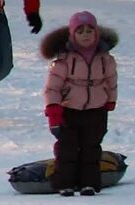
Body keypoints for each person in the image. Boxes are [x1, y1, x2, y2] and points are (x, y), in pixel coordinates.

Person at [41, 12, 118, 194]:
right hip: (69, 109)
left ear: (96, 33)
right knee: (67, 148)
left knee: (91, 147)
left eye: (90, 31)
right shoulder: (64, 59)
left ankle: (89, 183)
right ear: (72, 35)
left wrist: (111, 99)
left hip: (97, 109)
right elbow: (52, 87)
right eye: (80, 31)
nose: (85, 35)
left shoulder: (105, 58)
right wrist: (53, 109)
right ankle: (65, 183)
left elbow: (112, 80)